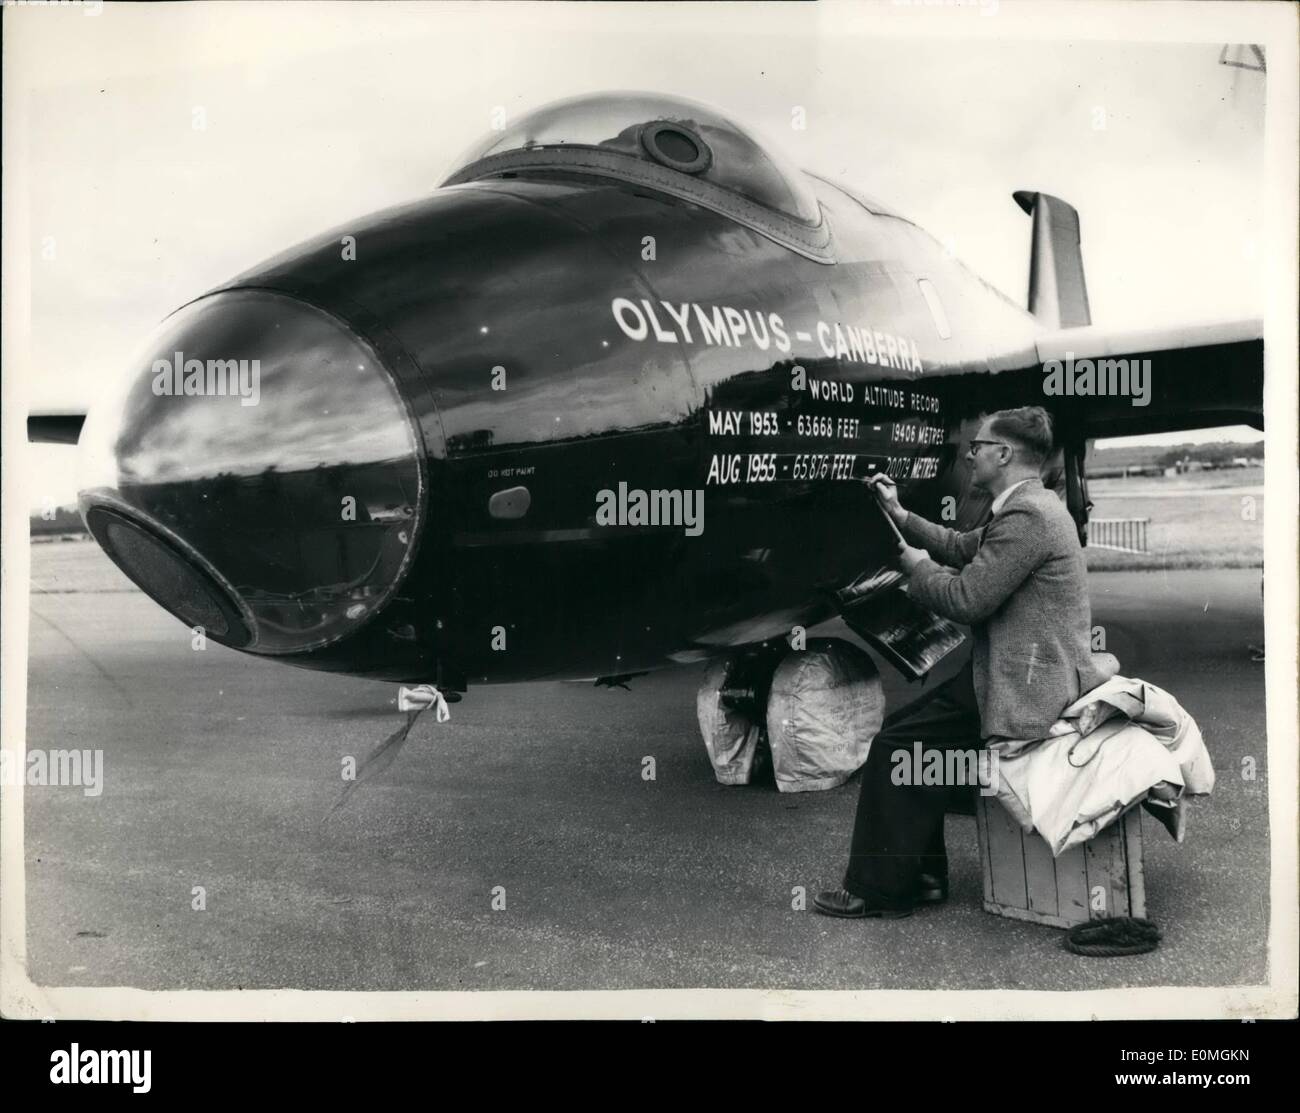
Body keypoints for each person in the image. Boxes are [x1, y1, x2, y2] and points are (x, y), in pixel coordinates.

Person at [814, 405, 1119, 918]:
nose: (970, 453)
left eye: (978, 445)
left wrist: (918, 570)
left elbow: (966, 600)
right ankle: (924, 874)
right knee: (904, 733)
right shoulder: (1029, 507)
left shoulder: (1028, 517)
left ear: (1003, 454)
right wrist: (899, 513)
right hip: (1012, 673)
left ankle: (878, 890)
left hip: (1027, 691)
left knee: (896, 748)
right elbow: (962, 545)